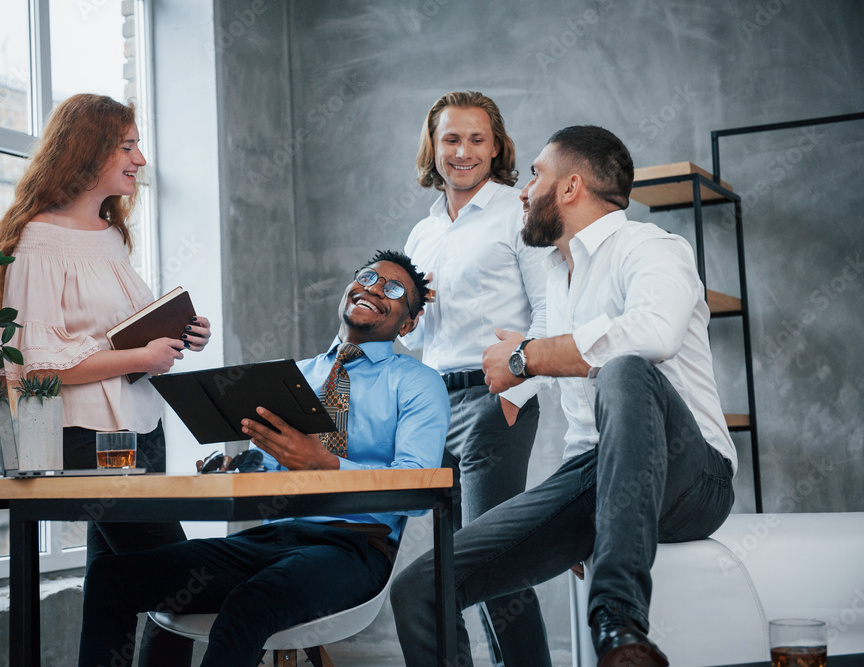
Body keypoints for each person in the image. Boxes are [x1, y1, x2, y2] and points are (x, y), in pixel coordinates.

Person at [391, 126, 737, 667]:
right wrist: (585, 518)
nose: (524, 191)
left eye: (535, 175)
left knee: (625, 369)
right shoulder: (560, 272)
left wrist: (528, 356)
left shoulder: (652, 247)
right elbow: (584, 428)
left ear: (571, 187)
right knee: (420, 589)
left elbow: (655, 335)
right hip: (607, 476)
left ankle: (618, 625)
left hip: (695, 481)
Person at [76, 250, 450, 667]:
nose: (374, 288)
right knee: (111, 579)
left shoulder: (418, 383)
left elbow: (420, 489)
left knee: (251, 602)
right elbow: (269, 466)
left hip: (353, 548)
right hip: (271, 539)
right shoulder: (292, 375)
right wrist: (235, 469)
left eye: (393, 289)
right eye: (367, 277)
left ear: (409, 322)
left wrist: (324, 465)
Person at [0, 93, 212, 666]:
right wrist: (141, 357)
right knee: (181, 579)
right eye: (128, 145)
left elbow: (117, 334)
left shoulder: (109, 235)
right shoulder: (39, 240)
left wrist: (178, 334)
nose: (140, 159)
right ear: (88, 152)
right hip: (87, 438)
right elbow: (36, 366)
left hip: (140, 430)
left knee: (112, 582)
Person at [401, 90, 552, 665]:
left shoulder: (519, 212)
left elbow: (550, 312)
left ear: (496, 148)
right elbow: (417, 342)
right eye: (450, 139)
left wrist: (520, 391)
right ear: (433, 148)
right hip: (433, 407)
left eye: (476, 139)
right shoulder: (423, 235)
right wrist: (411, 313)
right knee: (448, 564)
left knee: (496, 563)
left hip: (495, 401)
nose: (463, 151)